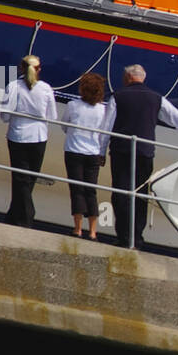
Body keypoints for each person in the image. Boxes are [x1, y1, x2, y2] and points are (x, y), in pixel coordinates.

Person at [109, 63, 178, 248]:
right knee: (141, 194)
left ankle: (123, 236)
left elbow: (106, 125)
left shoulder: (117, 96)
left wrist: (100, 151)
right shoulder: (156, 98)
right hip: (145, 152)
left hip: (121, 151)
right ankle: (137, 237)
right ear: (143, 78)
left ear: (128, 78)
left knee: (121, 193)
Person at [0, 55, 58, 227]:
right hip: (39, 137)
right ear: (39, 69)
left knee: (20, 179)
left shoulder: (13, 87)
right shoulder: (46, 88)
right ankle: (19, 216)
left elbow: (4, 115)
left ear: (21, 68)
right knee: (28, 179)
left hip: (18, 136)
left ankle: (22, 216)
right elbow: (52, 116)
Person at [63, 72, 116, 239]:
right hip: (93, 153)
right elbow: (105, 131)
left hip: (74, 151)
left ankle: (77, 229)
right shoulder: (103, 110)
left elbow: (65, 126)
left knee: (77, 190)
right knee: (91, 191)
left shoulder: (72, 105)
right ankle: (93, 231)